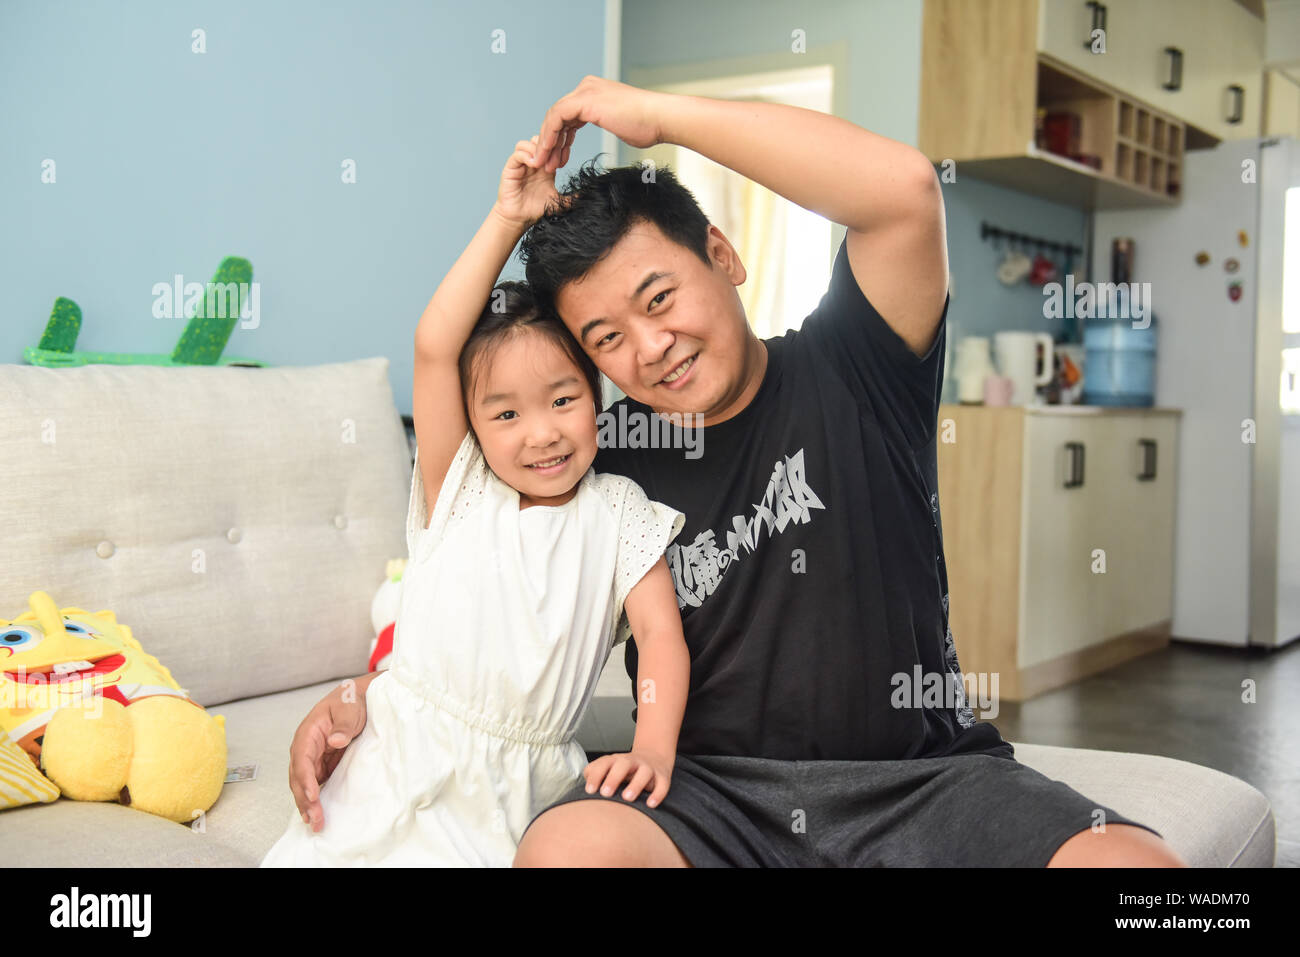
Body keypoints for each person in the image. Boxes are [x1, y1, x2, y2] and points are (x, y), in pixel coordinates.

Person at [263, 135, 689, 867]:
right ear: (474, 425)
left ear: (597, 394)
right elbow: (436, 343)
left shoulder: (621, 511)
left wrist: (652, 747)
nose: (542, 433)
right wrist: (507, 218)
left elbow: (660, 637)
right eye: (507, 414)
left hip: (524, 787)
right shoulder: (458, 488)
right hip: (397, 755)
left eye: (564, 399)